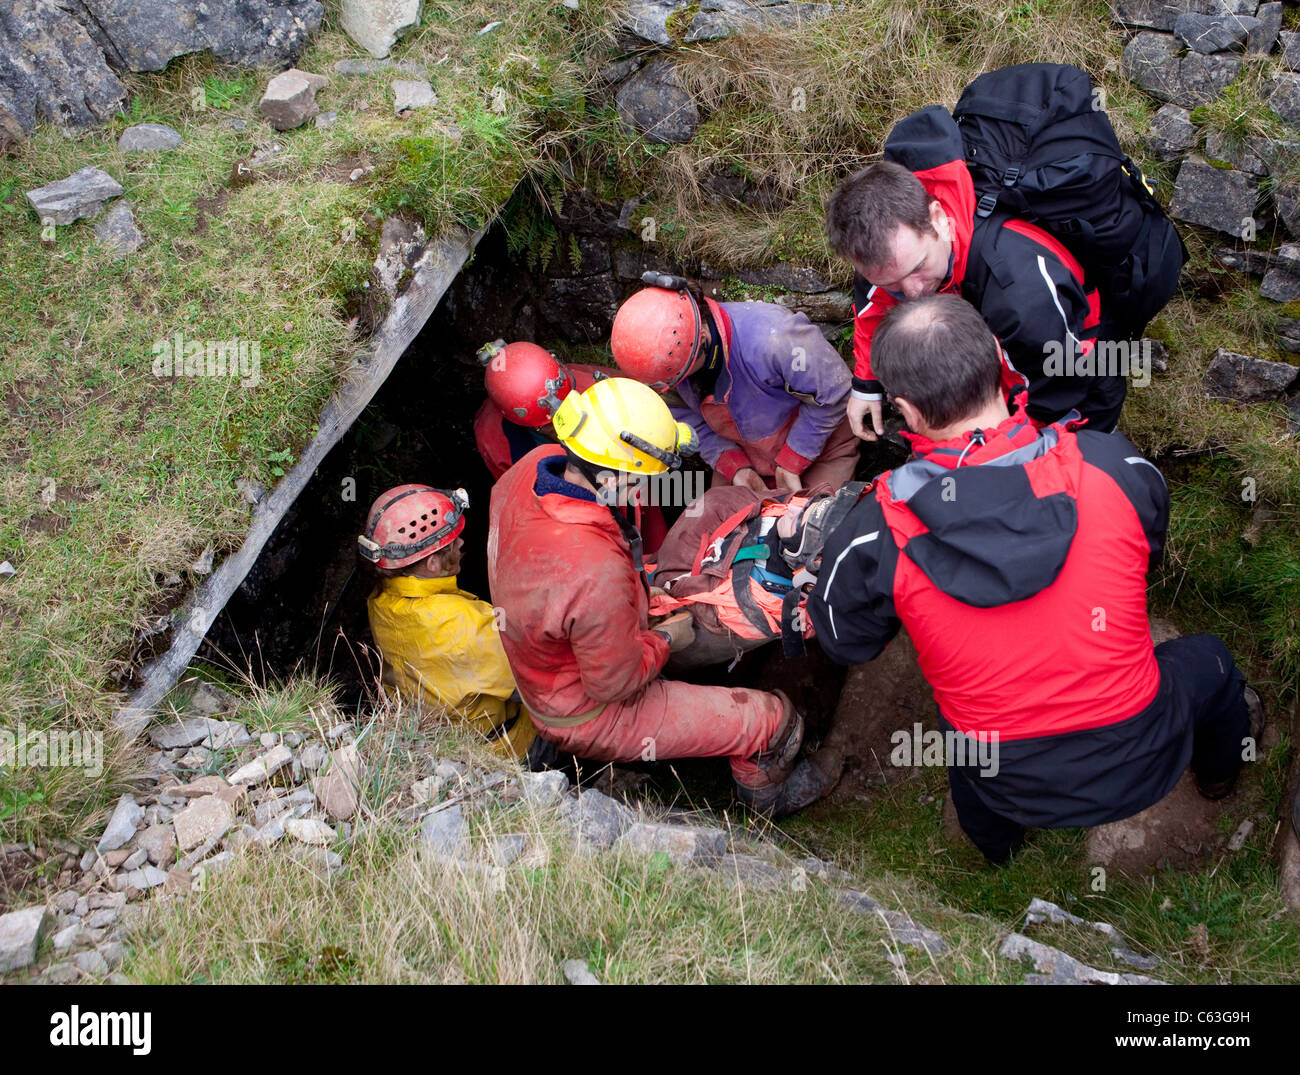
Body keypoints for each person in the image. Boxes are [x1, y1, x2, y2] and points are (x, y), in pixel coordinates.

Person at [806, 294, 1261, 863]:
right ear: (1001, 360)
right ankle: (1219, 777)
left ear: (907, 411)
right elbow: (1147, 549)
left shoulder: (874, 532)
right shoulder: (1112, 465)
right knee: (1213, 662)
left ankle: (1000, 851)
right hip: (1145, 751)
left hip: (1008, 780)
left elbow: (846, 640)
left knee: (964, 749)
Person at [487, 376, 834, 816]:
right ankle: (767, 808)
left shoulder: (530, 469)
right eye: (641, 480)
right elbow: (615, 683)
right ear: (614, 474)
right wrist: (668, 639)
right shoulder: (593, 571)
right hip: (590, 710)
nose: (646, 490)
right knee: (770, 721)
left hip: (548, 661)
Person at [826, 107, 1122, 440]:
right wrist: (865, 384)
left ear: (938, 219)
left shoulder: (1019, 290)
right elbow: (875, 306)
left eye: (919, 268)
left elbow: (1055, 385)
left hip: (1075, 371)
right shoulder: (890, 251)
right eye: (891, 283)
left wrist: (991, 446)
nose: (912, 293)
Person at [610, 275, 857, 495]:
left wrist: (794, 459)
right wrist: (733, 465)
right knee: (715, 533)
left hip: (820, 444)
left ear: (702, 340)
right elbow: (683, 416)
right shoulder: (660, 368)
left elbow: (834, 393)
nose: (677, 386)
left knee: (813, 529)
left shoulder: (776, 338)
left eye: (680, 378)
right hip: (745, 453)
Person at [359, 484, 538, 761]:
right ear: (432, 564)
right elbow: (536, 682)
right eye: (453, 543)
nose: (462, 543)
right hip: (506, 746)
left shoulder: (381, 600)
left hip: (440, 733)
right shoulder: (464, 628)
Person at [472, 340, 605, 481]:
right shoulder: (498, 446)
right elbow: (518, 490)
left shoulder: (593, 387)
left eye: (566, 404)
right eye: (550, 425)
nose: (564, 421)